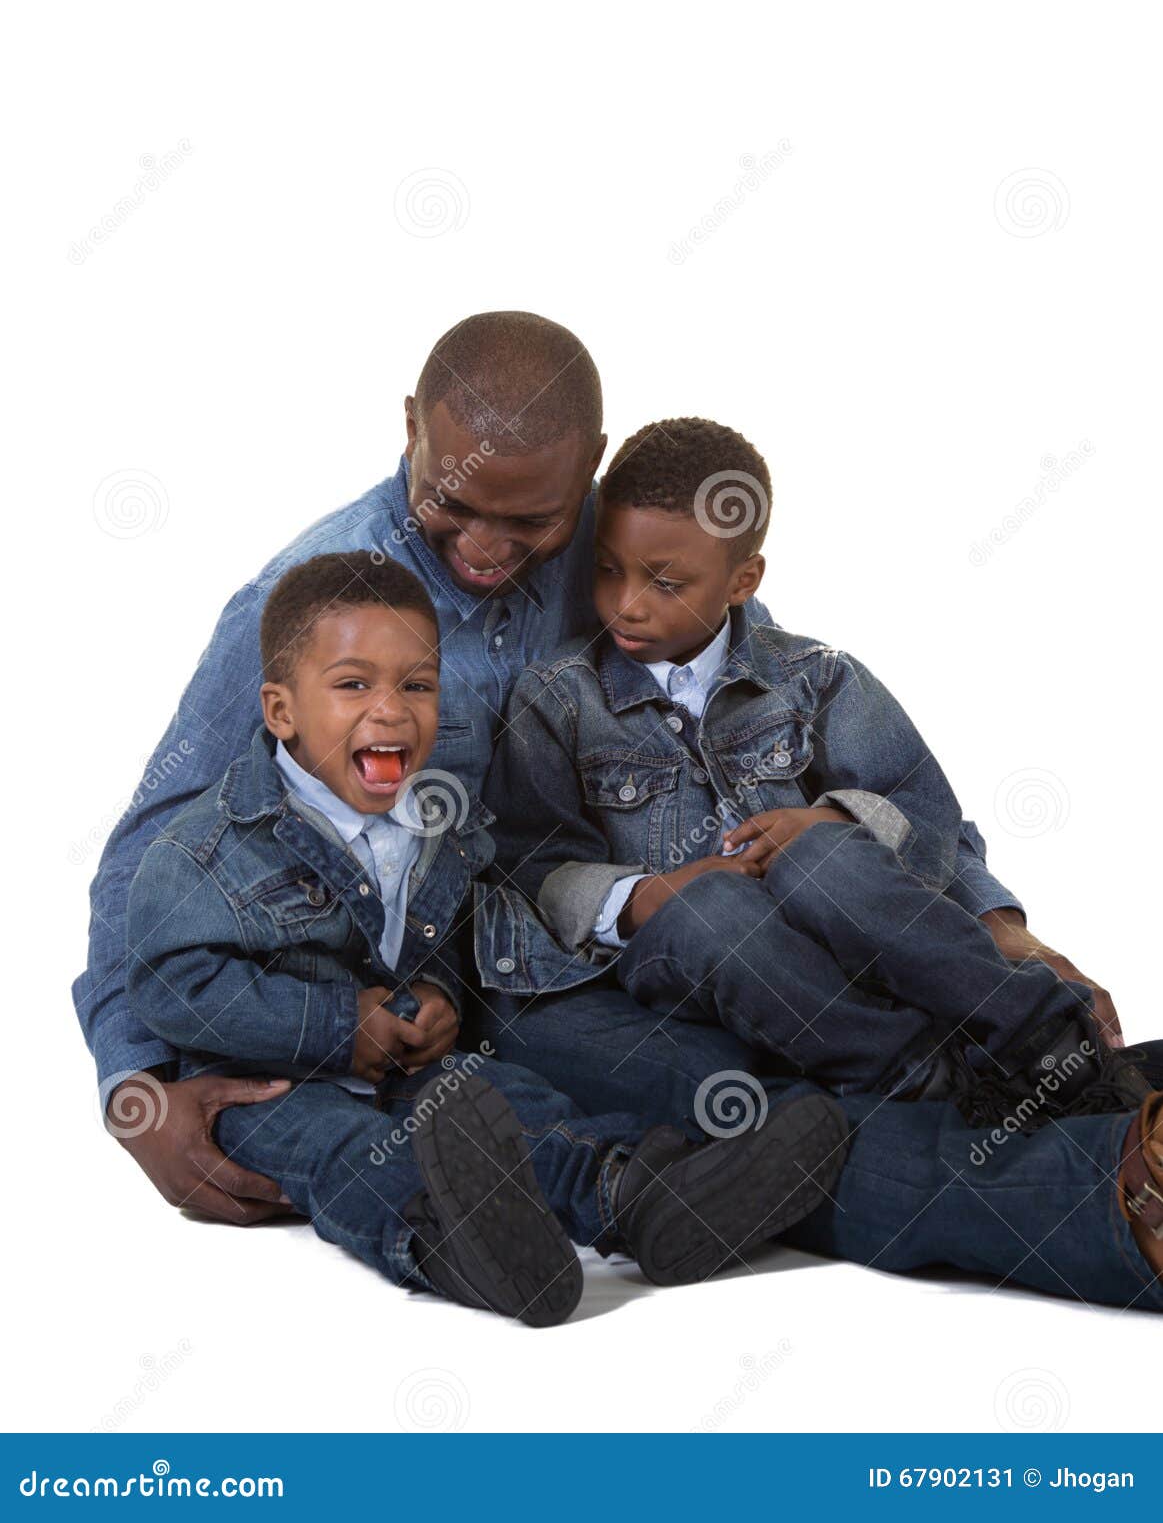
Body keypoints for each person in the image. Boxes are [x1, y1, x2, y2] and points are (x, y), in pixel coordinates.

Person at [78, 308, 1149, 1311]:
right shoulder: (314, 604)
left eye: (529, 520)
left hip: (696, 925)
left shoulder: (623, 545)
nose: (487, 548)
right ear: (411, 428)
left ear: (586, 467)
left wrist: (992, 924)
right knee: (750, 1112)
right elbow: (150, 857)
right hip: (501, 982)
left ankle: (1091, 1090)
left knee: (879, 1023)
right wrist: (136, 1084)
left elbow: (774, 703)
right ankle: (1112, 1195)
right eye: (453, 505)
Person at [122, 552, 849, 1324]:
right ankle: (445, 1243)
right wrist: (340, 1026)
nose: (391, 710)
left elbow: (442, 934)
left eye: (418, 685)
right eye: (352, 684)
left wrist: (437, 995)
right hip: (262, 1087)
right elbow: (171, 984)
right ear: (281, 711)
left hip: (404, 1061)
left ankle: (638, 1197)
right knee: (341, 1152)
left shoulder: (436, 819)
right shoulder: (208, 844)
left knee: (503, 1103)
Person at [482, 418, 1129, 1123]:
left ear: (742, 580)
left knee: (822, 855)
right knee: (715, 909)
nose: (627, 602)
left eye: (665, 583)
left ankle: (1044, 1042)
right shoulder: (556, 698)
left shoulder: (812, 677)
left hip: (836, 940)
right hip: (693, 951)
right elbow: (531, 864)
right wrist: (647, 893)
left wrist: (830, 820)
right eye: (606, 569)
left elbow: (926, 808)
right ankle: (921, 1084)